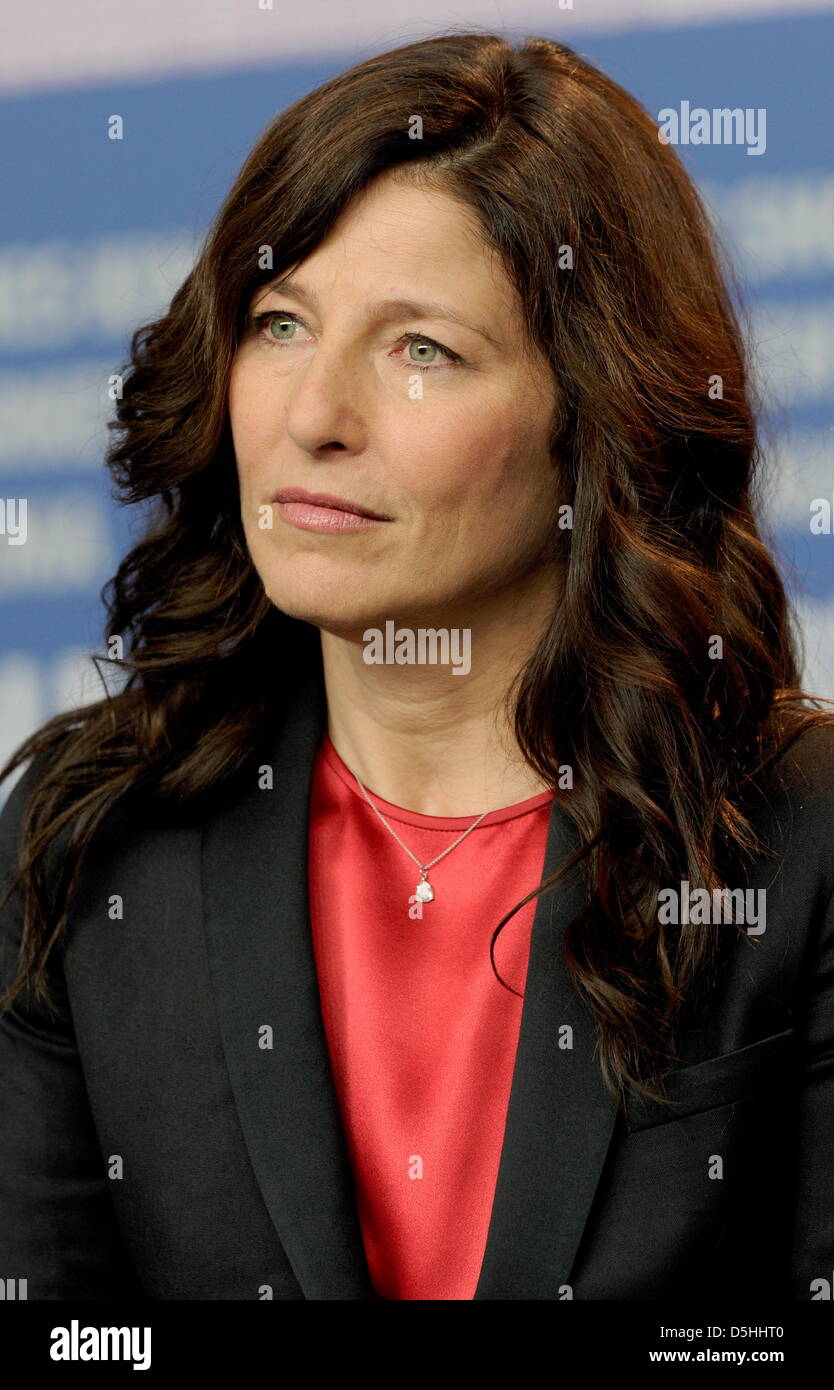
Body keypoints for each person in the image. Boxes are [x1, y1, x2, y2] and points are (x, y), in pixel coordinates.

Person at [1, 30, 832, 1303]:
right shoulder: (94, 835)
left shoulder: (805, 834)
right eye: (279, 323)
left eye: (420, 350)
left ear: (595, 417)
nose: (313, 415)